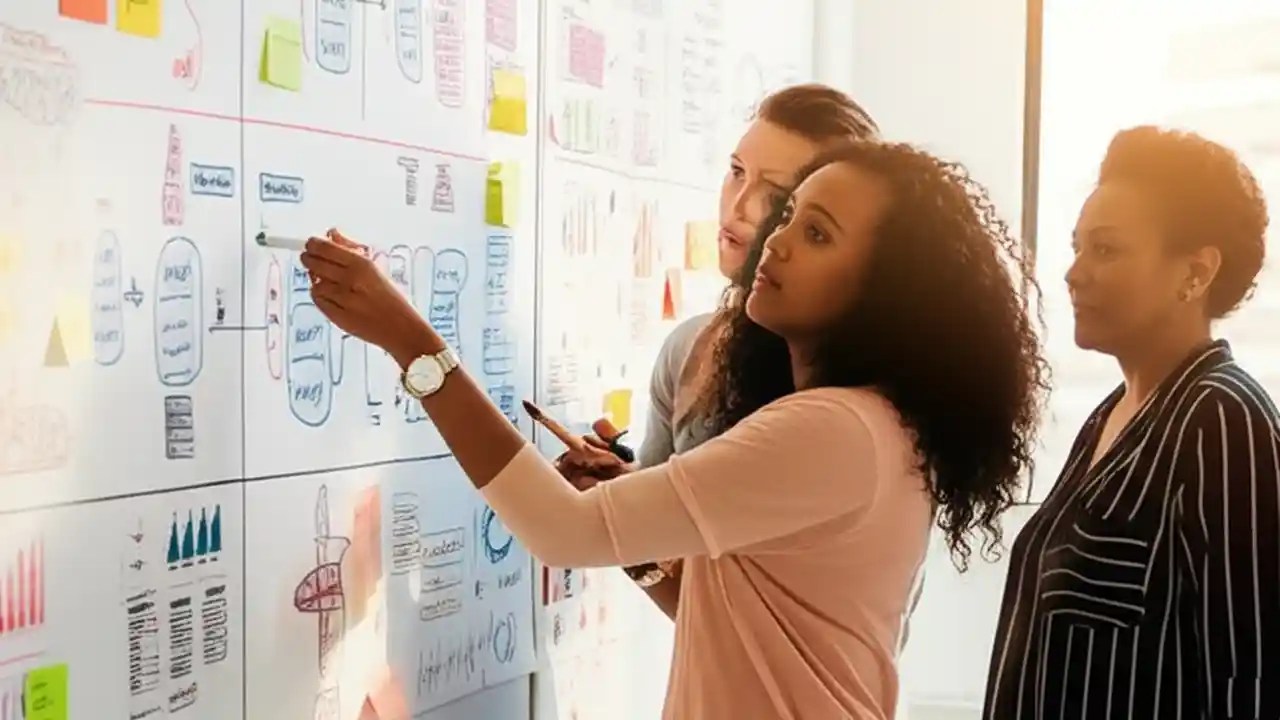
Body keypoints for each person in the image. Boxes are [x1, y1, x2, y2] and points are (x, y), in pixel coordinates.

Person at [300, 139, 1049, 719]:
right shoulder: (873, 425)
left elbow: (563, 531)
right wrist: (644, 537)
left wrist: (411, 343)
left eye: (817, 234)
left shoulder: (834, 429)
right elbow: (748, 619)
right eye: (789, 217)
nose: (776, 240)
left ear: (891, 288)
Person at [983, 126, 1279, 720]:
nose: (1073, 272)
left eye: (1106, 249)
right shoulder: (1106, 420)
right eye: (1077, 247)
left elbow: (1254, 675)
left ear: (1195, 273)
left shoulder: (1222, 419)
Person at [637, 83, 879, 617]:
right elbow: (692, 602)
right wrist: (617, 500)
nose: (740, 207)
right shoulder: (688, 352)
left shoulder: (859, 406)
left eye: (778, 195)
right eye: (736, 171)